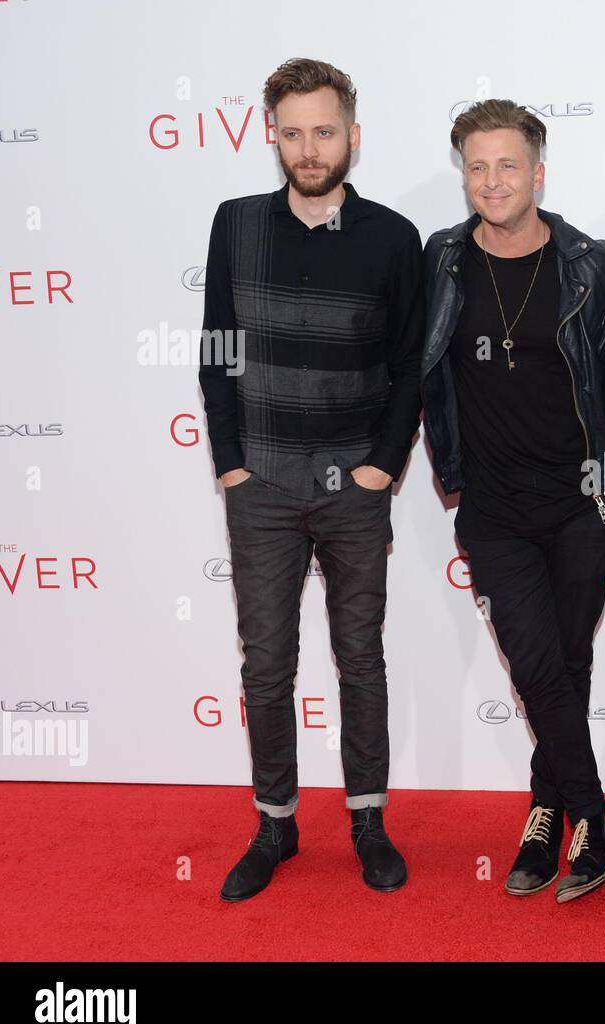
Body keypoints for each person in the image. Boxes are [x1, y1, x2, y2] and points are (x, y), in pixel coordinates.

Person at [199, 57, 424, 902]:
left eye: (323, 130)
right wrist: (229, 463)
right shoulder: (237, 223)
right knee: (266, 666)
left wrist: (382, 468)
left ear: (353, 136)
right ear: (273, 137)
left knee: (359, 658)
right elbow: (217, 351)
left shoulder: (392, 237)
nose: (308, 147)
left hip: (352, 484)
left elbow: (409, 368)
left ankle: (367, 819)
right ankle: (275, 824)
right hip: (260, 481)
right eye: (291, 132)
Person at [419, 99, 605, 903]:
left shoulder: (588, 260)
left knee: (565, 664)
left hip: (584, 499)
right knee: (538, 661)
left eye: (508, 164)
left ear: (538, 173)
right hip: (494, 507)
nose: (493, 180)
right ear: (463, 175)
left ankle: (549, 809)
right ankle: (598, 821)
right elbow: (413, 367)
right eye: (477, 166)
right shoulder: (440, 261)